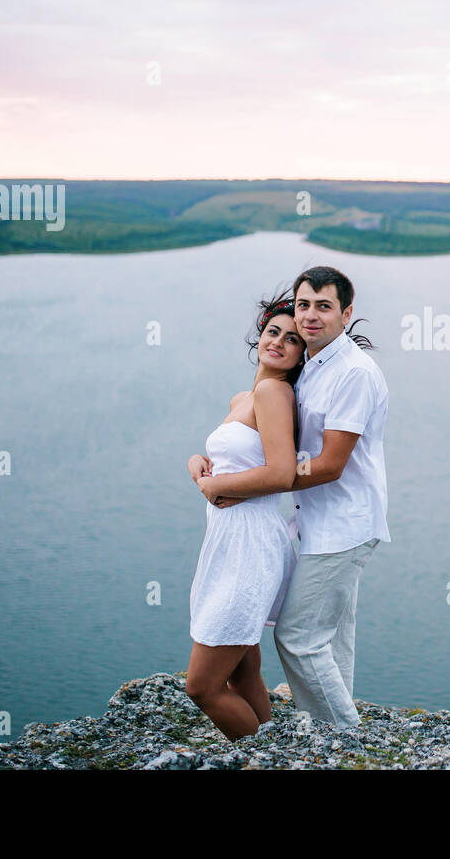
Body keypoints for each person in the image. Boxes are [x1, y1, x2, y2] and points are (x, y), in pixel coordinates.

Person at [208, 265, 390, 729]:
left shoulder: (353, 373)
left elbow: (329, 465)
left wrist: (250, 483)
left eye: (323, 306)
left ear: (346, 313)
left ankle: (343, 738)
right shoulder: (311, 367)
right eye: (303, 304)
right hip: (315, 523)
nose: (310, 316)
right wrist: (219, 468)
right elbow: (263, 441)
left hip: (344, 525)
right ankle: (339, 733)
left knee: (297, 637)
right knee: (332, 638)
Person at [183, 292, 304, 739]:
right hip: (228, 542)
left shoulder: (275, 392)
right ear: (260, 335)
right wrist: (198, 463)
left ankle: (264, 762)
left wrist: (217, 486)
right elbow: (232, 460)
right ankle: (272, 749)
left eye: (292, 340)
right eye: (273, 331)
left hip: (250, 545)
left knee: (203, 686)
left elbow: (280, 471)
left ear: (300, 355)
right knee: (243, 675)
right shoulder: (245, 396)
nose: (278, 342)